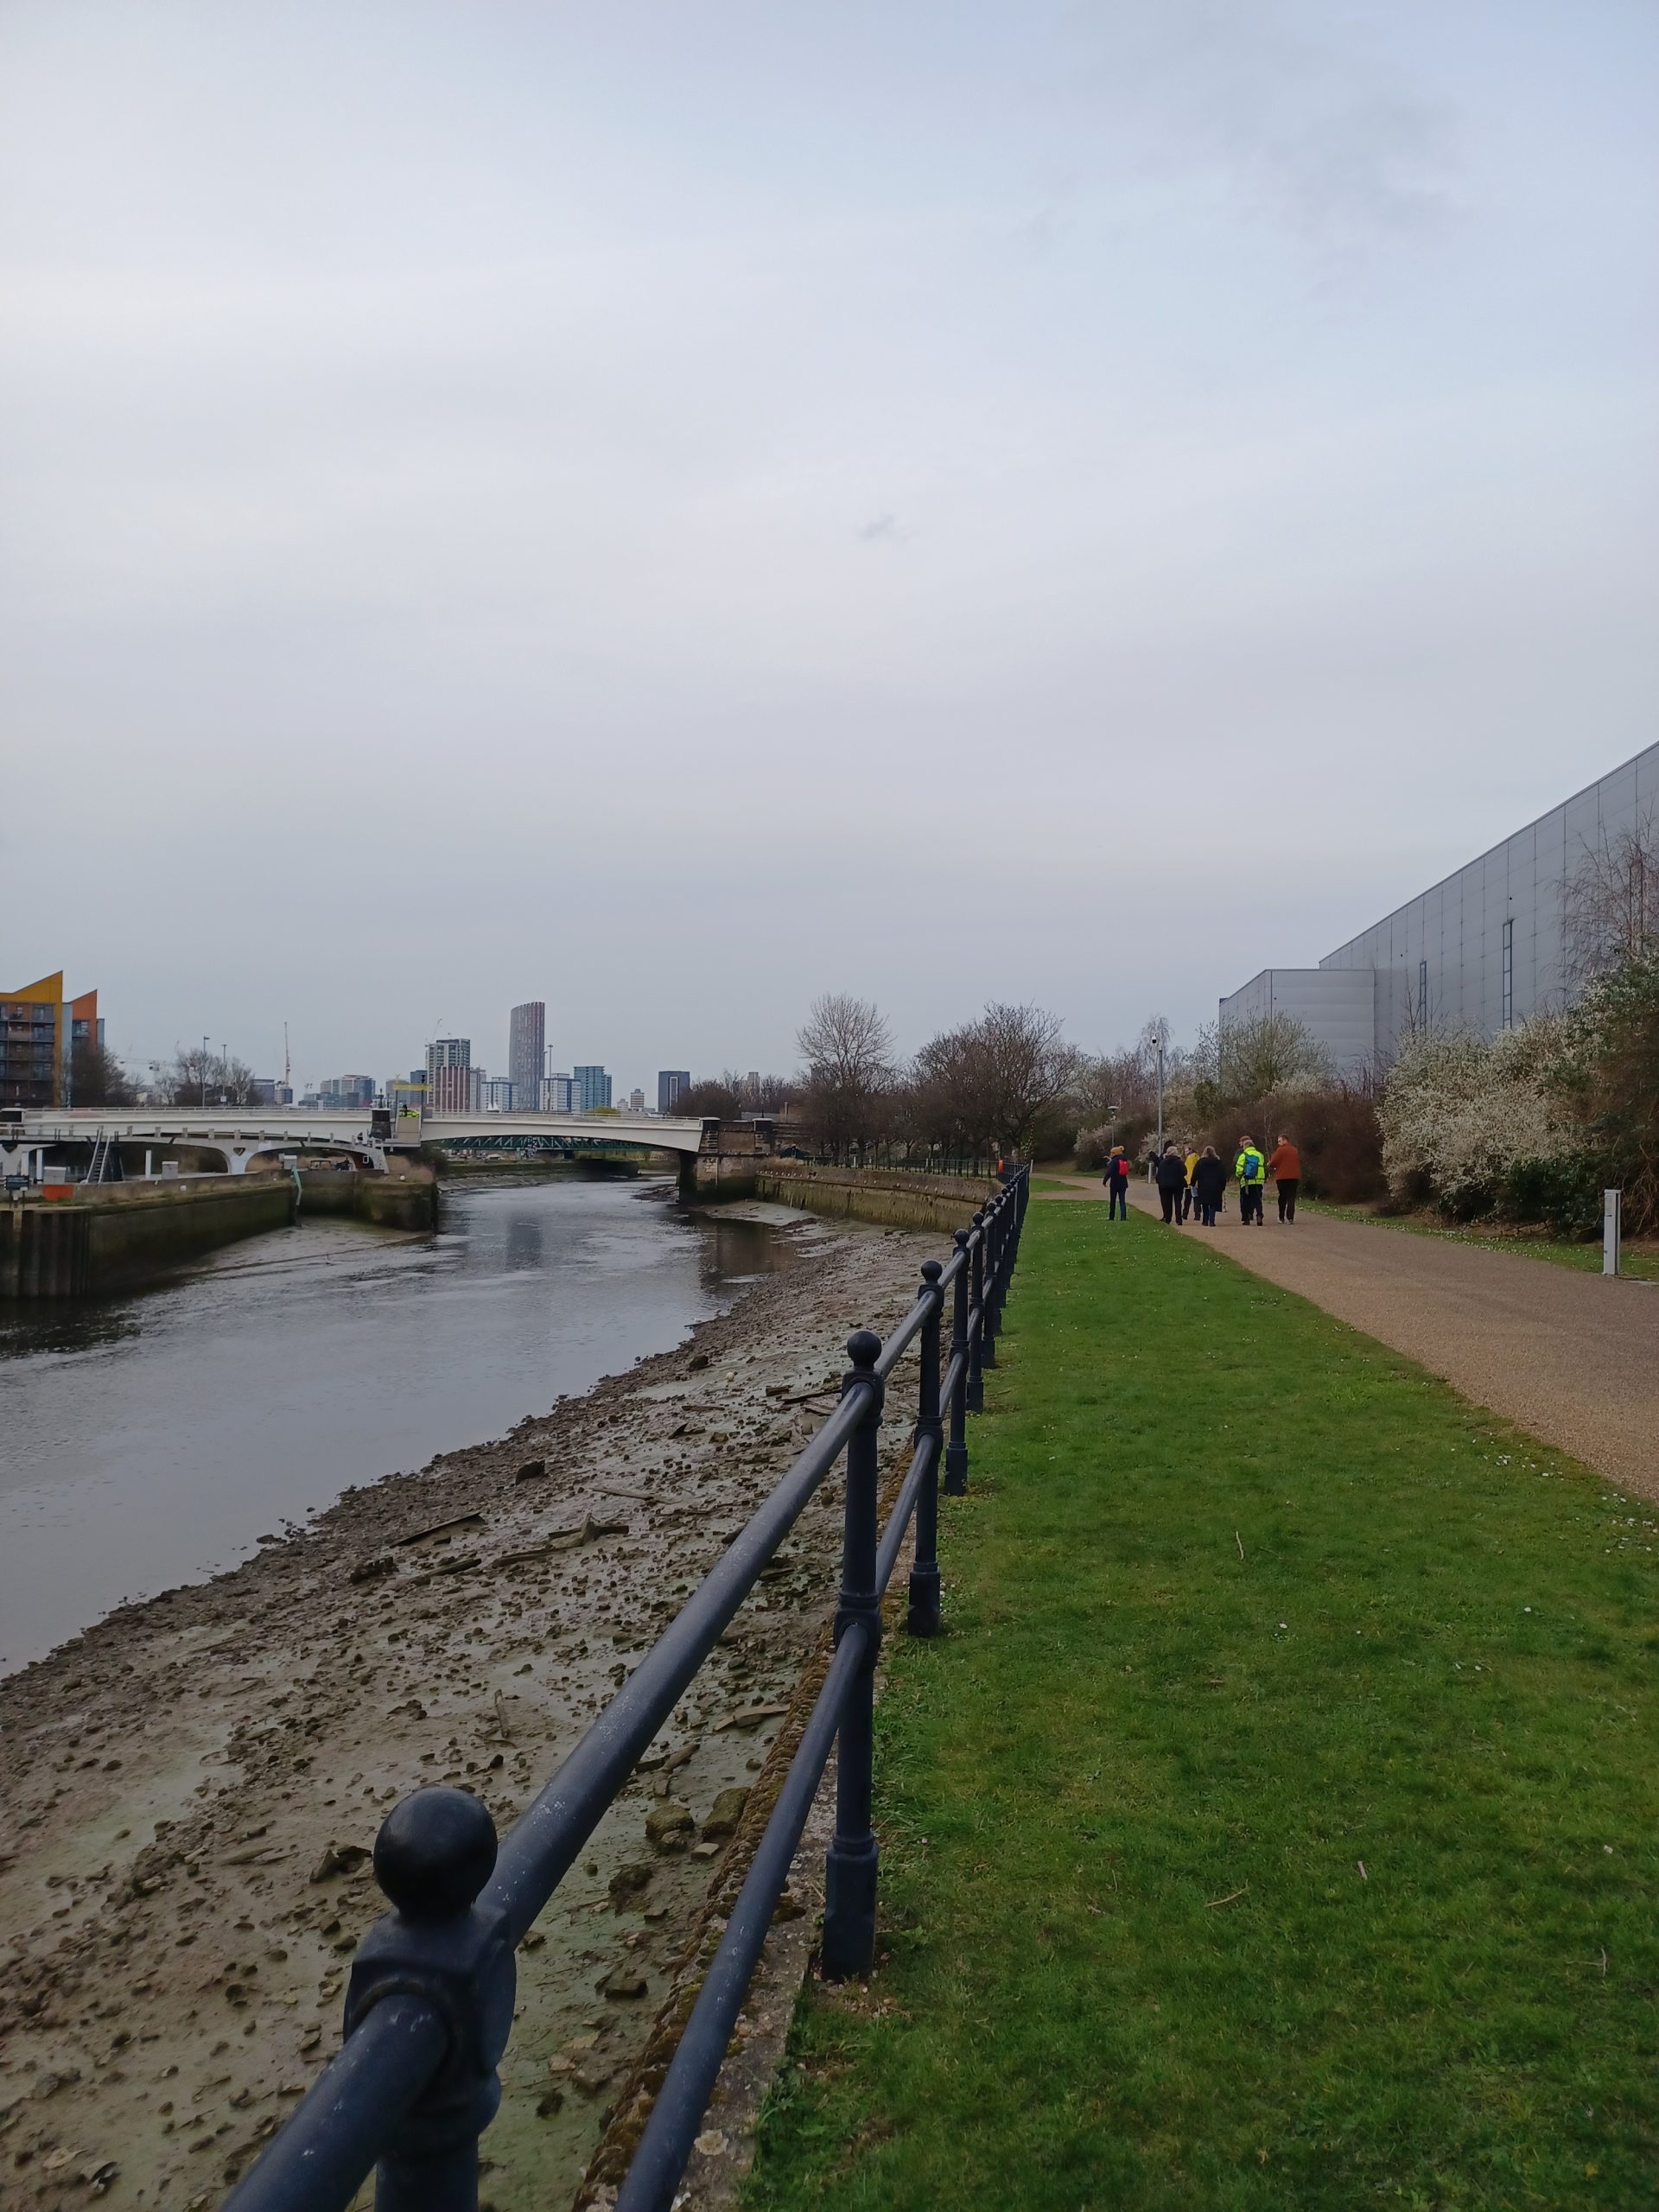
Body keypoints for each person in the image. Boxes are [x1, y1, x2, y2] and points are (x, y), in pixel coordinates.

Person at [1234, 1133, 1266, 1225]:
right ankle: (1259, 1216)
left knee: (1246, 1200)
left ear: (1245, 1146)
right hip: (1258, 1181)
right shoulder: (1260, 1155)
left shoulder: (1243, 1155)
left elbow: (1239, 1169)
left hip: (1247, 1182)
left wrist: (1238, 1175)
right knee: (1258, 1200)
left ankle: (1246, 1219)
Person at [1268, 1134, 1301, 1222]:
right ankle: (1290, 1217)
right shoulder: (1295, 1150)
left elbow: (1273, 1162)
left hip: (1282, 1177)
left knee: (1282, 1197)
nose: (1278, 1143)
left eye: (1279, 1141)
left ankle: (1281, 1216)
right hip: (1294, 1177)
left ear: (1284, 1140)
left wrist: (1270, 1164)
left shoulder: (1280, 1151)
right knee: (1291, 1197)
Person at [1154, 1141, 1187, 1225]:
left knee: (1167, 1202)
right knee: (1178, 1202)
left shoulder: (1163, 1163)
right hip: (1177, 1185)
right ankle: (1179, 1219)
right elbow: (1185, 1172)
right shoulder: (1179, 1162)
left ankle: (1168, 1218)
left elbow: (1159, 1174)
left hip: (1165, 1185)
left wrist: (1160, 1182)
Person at [1192, 1145, 1226, 1226]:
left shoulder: (1200, 1162)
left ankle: (1205, 1220)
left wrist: (1192, 1183)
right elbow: (1223, 1175)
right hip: (1216, 1186)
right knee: (1213, 1204)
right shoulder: (1218, 1163)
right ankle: (1212, 1221)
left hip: (1203, 1185)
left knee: (1205, 1203)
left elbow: (1195, 1173)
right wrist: (1223, 1186)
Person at [1102, 1143, 1129, 1221]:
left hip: (1114, 1183)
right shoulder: (1125, 1160)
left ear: (1116, 1153)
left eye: (1112, 1153)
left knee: (1113, 1201)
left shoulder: (1114, 1161)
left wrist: (1105, 1181)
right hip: (1123, 1183)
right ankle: (1123, 1217)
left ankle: (1111, 1217)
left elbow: (1109, 1172)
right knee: (1122, 1201)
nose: (1111, 1154)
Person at [1182, 1143, 1199, 1221]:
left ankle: (1185, 1214)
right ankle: (1197, 1215)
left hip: (1189, 1181)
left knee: (1187, 1200)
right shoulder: (1197, 1157)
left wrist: (1187, 1179)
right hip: (1196, 1181)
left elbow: (1189, 1170)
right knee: (1196, 1199)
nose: (1185, 1153)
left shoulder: (1189, 1158)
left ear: (1190, 1150)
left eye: (1186, 1151)